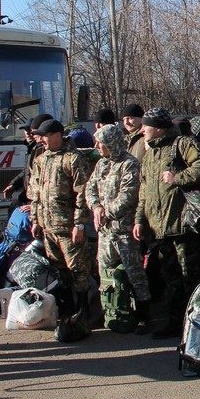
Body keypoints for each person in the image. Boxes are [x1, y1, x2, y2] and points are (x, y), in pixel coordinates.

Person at [132, 106, 200, 337]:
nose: (142, 130)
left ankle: (196, 327)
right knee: (171, 279)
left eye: (146, 126)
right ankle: (174, 321)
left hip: (183, 227)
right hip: (159, 230)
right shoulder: (149, 154)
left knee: (191, 277)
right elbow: (144, 192)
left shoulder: (181, 145)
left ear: (159, 129)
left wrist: (178, 178)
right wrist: (140, 220)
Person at [85, 123, 151, 333]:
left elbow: (129, 195)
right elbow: (90, 188)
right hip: (104, 231)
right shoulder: (101, 164)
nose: (97, 146)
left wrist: (106, 212)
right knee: (105, 273)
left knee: (134, 274)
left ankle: (143, 315)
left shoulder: (129, 164)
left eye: (101, 143)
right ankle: (109, 311)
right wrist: (95, 207)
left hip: (124, 231)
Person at [27, 118, 92, 316]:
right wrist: (35, 220)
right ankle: (66, 310)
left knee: (78, 269)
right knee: (59, 270)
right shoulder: (41, 159)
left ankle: (83, 311)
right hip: (48, 227)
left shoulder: (73, 158)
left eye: (45, 136)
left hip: (67, 227)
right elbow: (35, 193)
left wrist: (79, 225)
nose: (42, 140)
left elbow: (83, 193)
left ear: (57, 135)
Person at [2, 113, 53, 212]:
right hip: (34, 198)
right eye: (27, 131)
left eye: (33, 131)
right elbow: (27, 172)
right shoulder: (34, 149)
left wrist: (35, 205)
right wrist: (14, 185)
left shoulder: (46, 150)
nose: (30, 134)